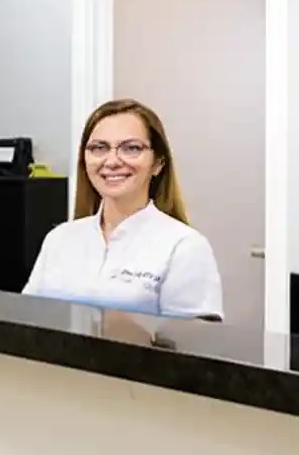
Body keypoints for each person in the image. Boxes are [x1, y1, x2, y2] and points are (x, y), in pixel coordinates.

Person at [22, 99, 223, 320]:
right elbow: (28, 321)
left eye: (131, 148)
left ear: (158, 163)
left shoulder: (184, 246)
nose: (112, 161)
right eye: (99, 148)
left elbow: (193, 338)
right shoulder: (59, 239)